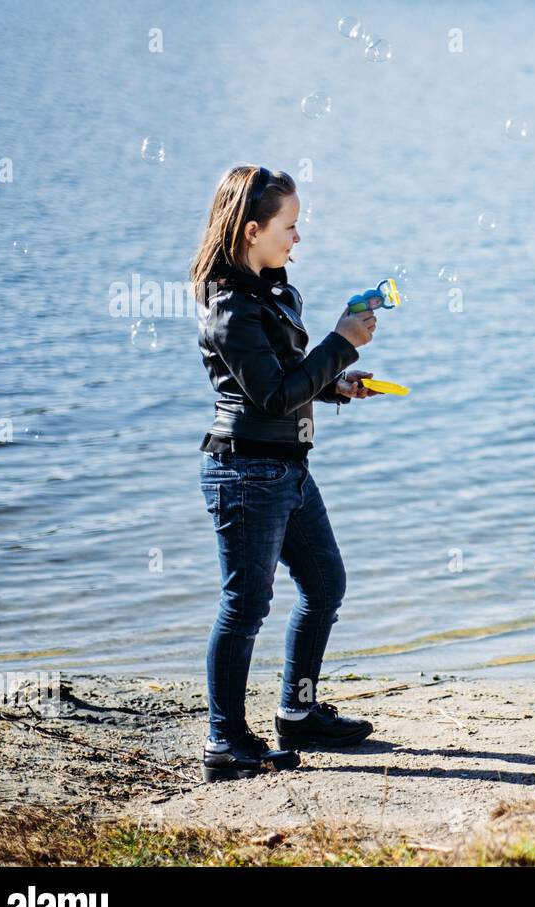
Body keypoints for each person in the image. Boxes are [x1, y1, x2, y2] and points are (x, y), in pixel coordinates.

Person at [190, 164, 380, 782]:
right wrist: (341, 343)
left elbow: (289, 378)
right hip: (245, 471)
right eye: (289, 227)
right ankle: (225, 741)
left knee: (325, 584)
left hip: (288, 470)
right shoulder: (229, 305)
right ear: (251, 231)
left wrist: (335, 385)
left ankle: (296, 712)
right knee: (245, 605)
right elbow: (268, 397)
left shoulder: (272, 288)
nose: (297, 238)